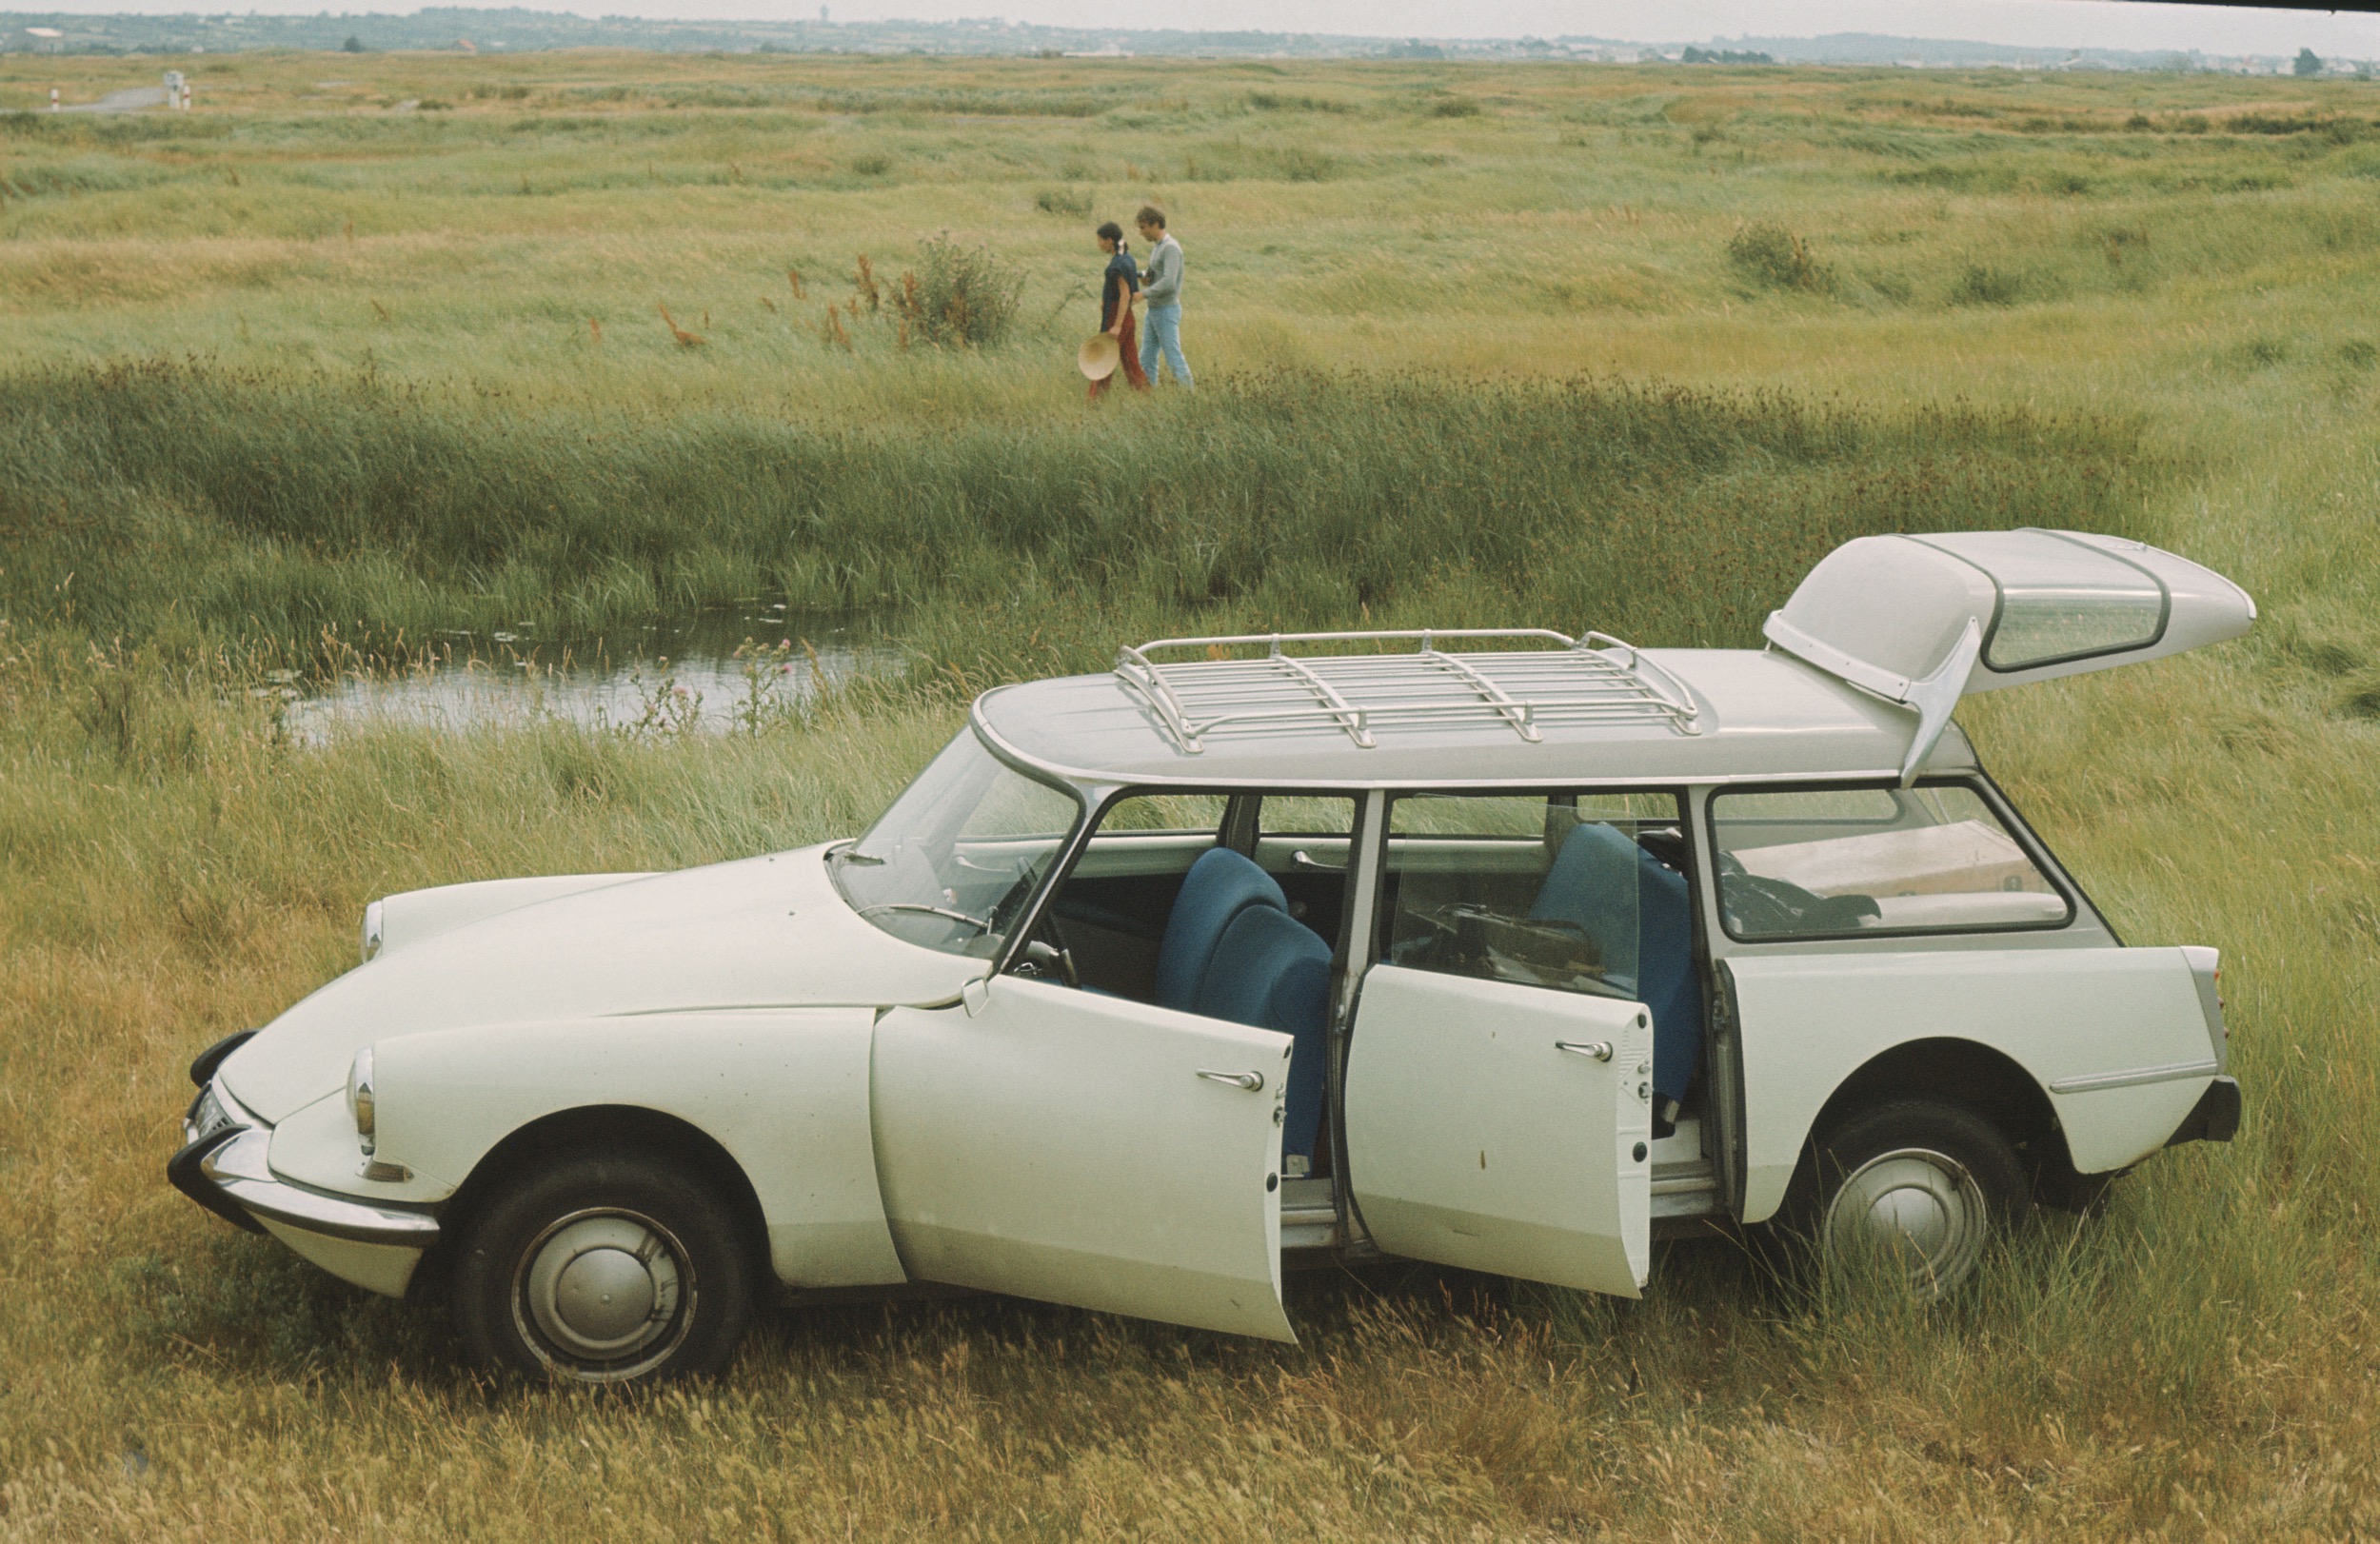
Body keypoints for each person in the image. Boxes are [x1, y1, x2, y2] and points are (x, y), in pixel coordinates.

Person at [1135, 205, 1192, 389]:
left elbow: (1169, 281)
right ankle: (1147, 394)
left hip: (1166, 310)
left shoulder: (1171, 248)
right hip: (1154, 310)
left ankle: (1189, 396)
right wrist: (1141, 276)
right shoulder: (1158, 248)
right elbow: (1154, 274)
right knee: (1147, 357)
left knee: (1173, 356)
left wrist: (1143, 294)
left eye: (1143, 227)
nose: (1141, 232)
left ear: (1156, 224)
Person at [1090, 221, 1149, 401]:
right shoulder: (1126, 257)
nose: (1099, 244)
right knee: (1130, 359)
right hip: (1126, 316)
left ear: (1109, 240)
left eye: (1100, 240)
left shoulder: (1119, 263)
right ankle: (1144, 394)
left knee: (1104, 359)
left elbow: (1125, 295)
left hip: (1118, 315)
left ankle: (1095, 400)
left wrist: (1117, 325)